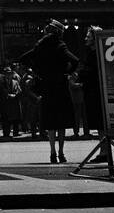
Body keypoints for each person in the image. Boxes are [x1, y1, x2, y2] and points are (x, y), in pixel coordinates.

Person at [18, 20, 81, 164]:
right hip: (60, 86)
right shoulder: (60, 46)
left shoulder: (40, 46)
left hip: (47, 87)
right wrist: (67, 72)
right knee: (62, 122)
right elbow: (75, 61)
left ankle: (52, 152)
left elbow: (23, 59)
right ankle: (61, 152)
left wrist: (36, 72)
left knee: (51, 122)